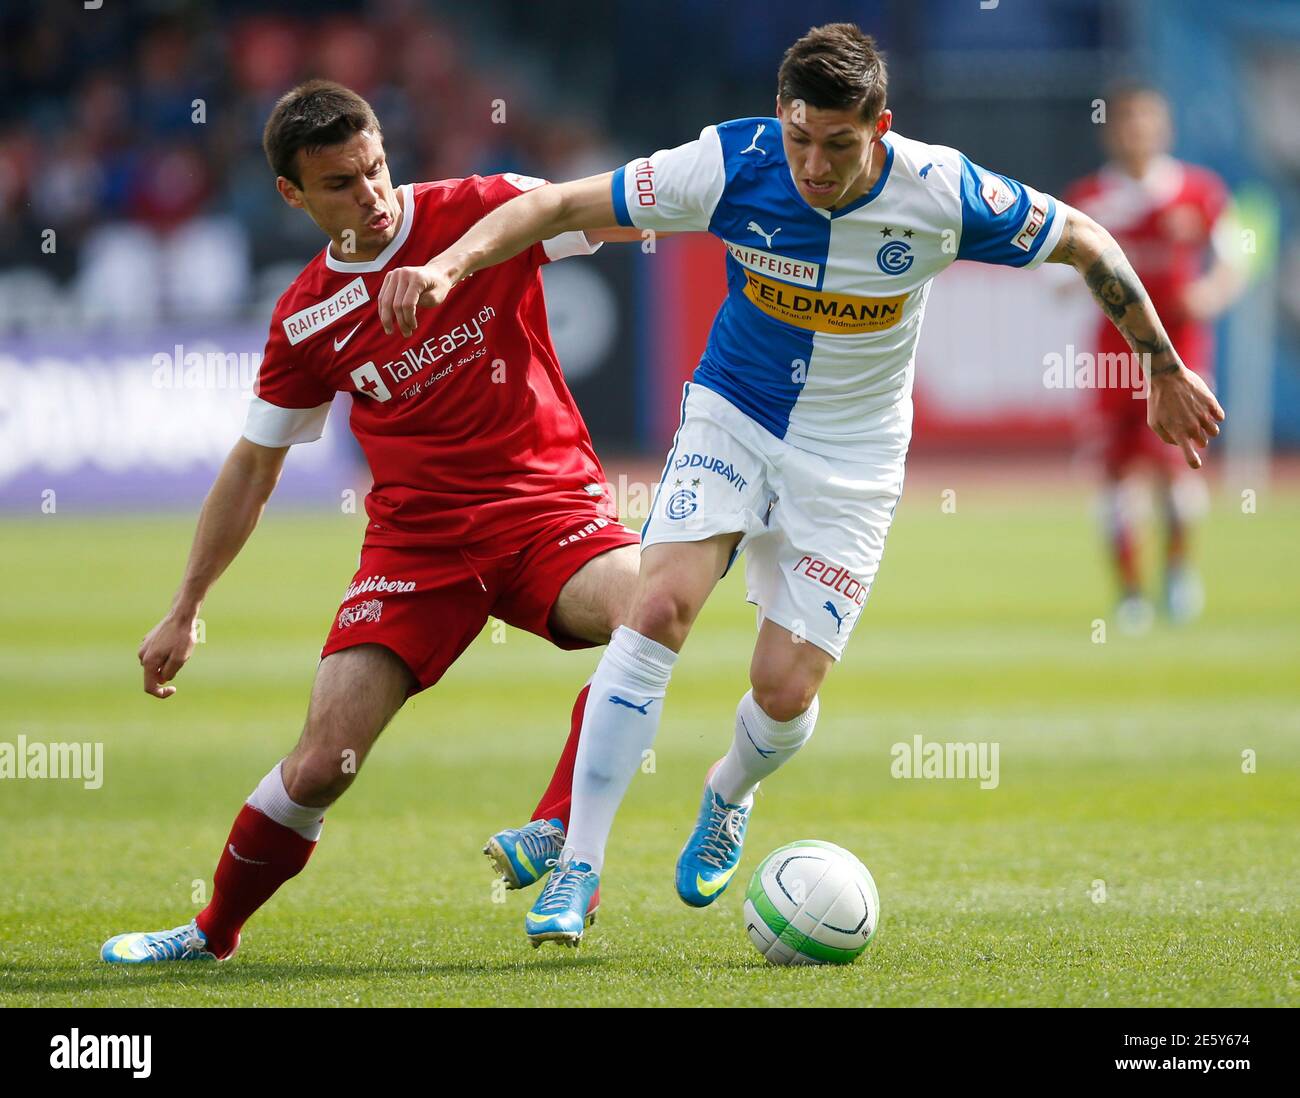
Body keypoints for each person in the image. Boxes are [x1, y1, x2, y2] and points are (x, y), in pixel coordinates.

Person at [411, 23, 1226, 948]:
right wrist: (446, 264)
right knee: (659, 606)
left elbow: (1082, 238)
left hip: (854, 460)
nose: (814, 164)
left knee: (786, 687)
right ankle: (581, 865)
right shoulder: (731, 163)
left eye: (839, 144)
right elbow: (558, 205)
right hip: (734, 417)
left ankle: (728, 792)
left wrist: (1158, 362)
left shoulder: (942, 190)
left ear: (882, 125)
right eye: (799, 138)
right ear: (779, 118)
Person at [101, 79, 642, 963]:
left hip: (550, 514)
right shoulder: (306, 317)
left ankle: (557, 831)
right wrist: (186, 602)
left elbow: (602, 202)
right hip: (418, 548)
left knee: (651, 604)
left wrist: (733, 196)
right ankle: (211, 932)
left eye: (378, 167)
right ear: (293, 194)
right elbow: (251, 469)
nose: (374, 196)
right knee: (321, 766)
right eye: (343, 184)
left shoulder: (479, 213)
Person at [1064, 83, 1242, 631]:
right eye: (1125, 121)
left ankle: (1178, 572)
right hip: (1114, 359)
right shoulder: (1091, 199)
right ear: (1110, 129)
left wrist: (1211, 294)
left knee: (1175, 472)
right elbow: (1054, 272)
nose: (1136, 131)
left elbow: (1234, 258)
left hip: (1181, 358)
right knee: (1117, 476)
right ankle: (1130, 593)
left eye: (1146, 120)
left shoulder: (1199, 193)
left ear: (1163, 127)